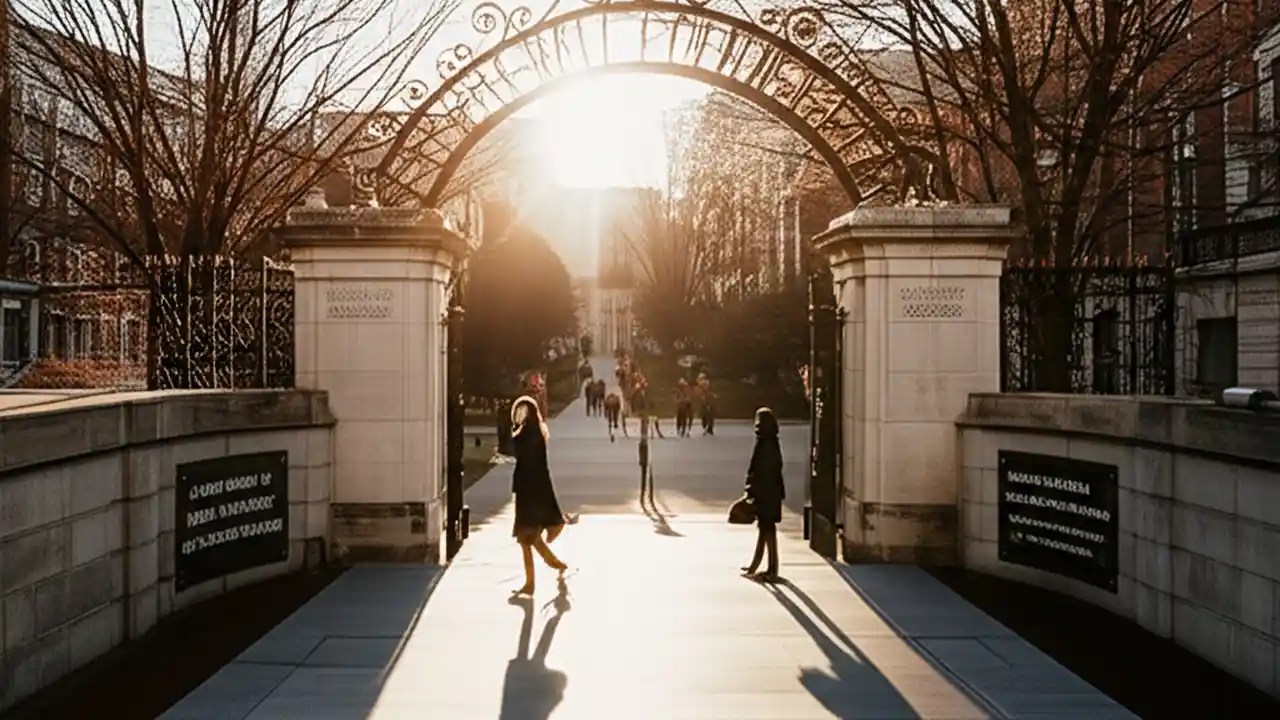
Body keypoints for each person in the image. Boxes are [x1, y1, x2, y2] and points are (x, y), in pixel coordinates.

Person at [510, 396, 569, 595]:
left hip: (528, 493)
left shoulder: (526, 434)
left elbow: (521, 456)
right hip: (533, 490)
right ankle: (552, 566)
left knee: (526, 538)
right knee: (529, 538)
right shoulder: (537, 433)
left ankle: (534, 580)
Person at [742, 407, 784, 582]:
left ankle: (771, 569)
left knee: (767, 529)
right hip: (772, 492)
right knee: (766, 529)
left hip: (765, 493)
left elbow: (759, 471)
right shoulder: (771, 441)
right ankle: (759, 565)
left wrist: (751, 490)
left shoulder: (764, 443)